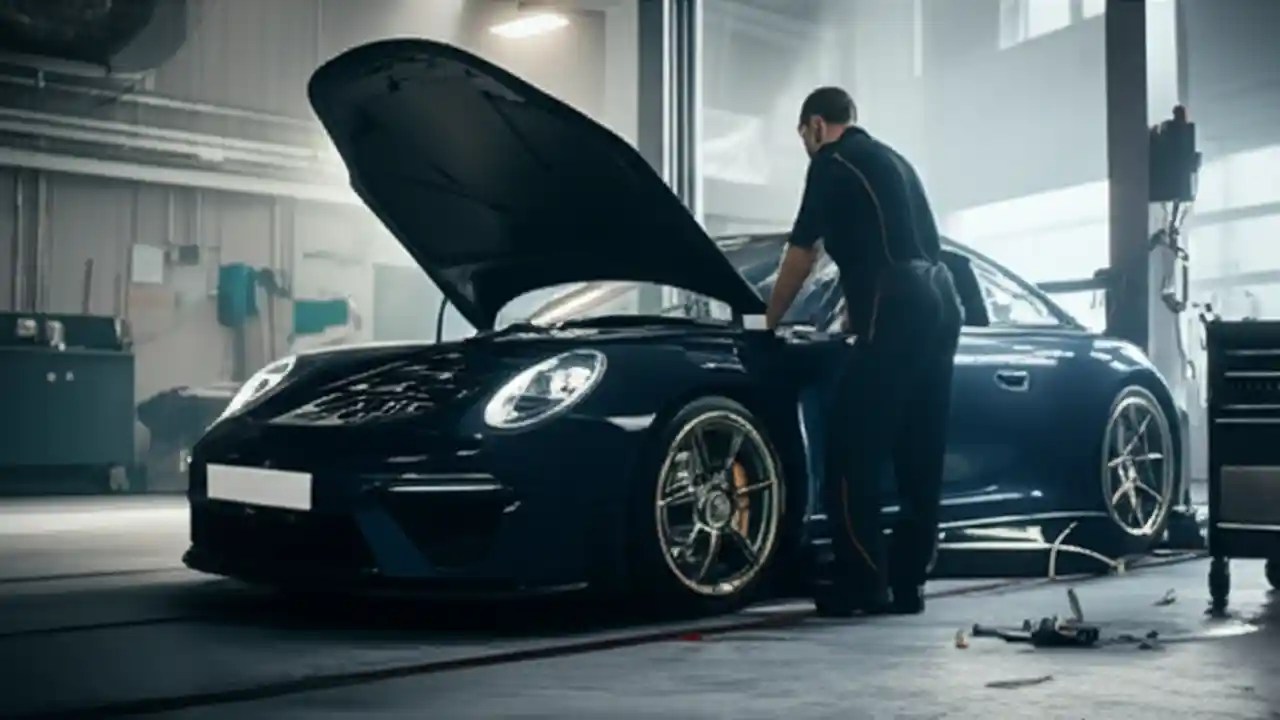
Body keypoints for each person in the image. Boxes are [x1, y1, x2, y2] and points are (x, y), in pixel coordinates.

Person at [765, 86, 963, 617]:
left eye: (804, 136)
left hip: (896, 303)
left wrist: (767, 321)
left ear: (815, 126)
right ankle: (908, 583)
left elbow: (802, 254)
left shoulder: (831, 163)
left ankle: (862, 580)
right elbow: (900, 242)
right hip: (942, 302)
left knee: (852, 446)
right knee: (920, 447)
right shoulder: (893, 160)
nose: (806, 146)